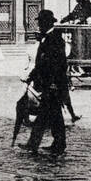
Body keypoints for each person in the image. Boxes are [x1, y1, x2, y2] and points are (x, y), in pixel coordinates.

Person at [22, 10, 68, 157]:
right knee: (55, 116)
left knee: (44, 115)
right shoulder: (47, 38)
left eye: (41, 22)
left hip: (53, 85)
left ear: (48, 22)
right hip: (49, 84)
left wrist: (54, 83)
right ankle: (59, 144)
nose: (39, 25)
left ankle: (33, 144)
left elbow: (59, 64)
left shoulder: (55, 39)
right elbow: (41, 63)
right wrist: (31, 76)